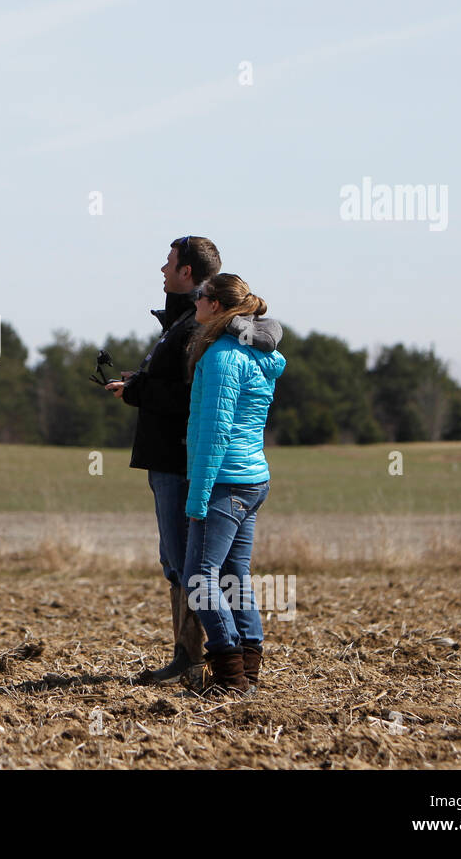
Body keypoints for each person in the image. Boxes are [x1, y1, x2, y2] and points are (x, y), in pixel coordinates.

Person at [105, 236, 220, 688]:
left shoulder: (195, 324)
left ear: (187, 272)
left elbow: (190, 397)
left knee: (181, 561)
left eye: (169, 263)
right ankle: (188, 658)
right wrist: (142, 381)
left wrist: (138, 390)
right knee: (175, 561)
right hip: (167, 458)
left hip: (177, 459)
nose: (162, 270)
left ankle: (193, 662)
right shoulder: (184, 321)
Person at [181, 273, 286, 695]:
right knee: (234, 577)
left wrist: (199, 495)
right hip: (252, 478)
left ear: (218, 307)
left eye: (202, 295)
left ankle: (230, 676)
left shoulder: (224, 357)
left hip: (225, 481)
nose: (195, 300)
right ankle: (249, 670)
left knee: (199, 579)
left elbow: (215, 433)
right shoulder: (256, 356)